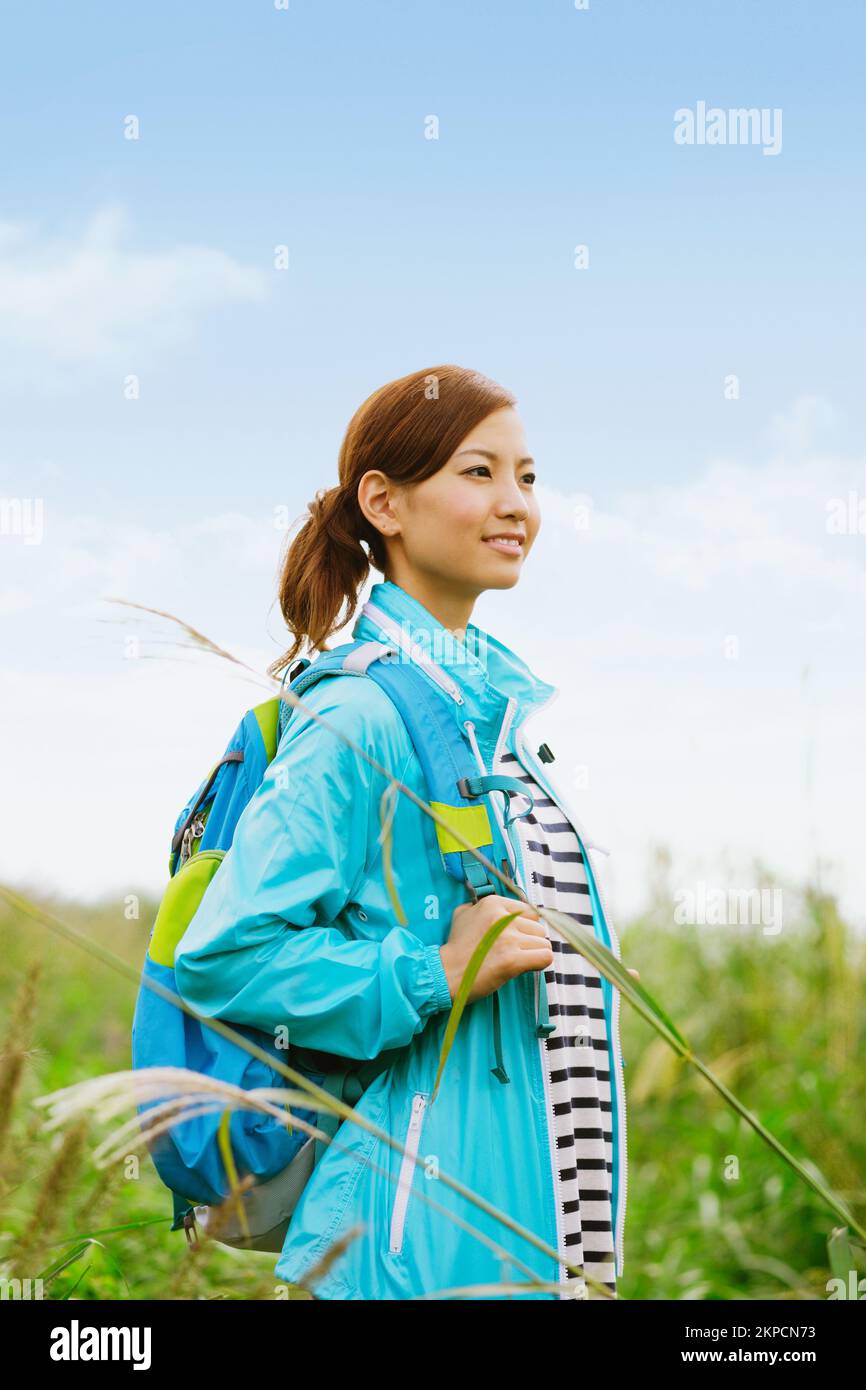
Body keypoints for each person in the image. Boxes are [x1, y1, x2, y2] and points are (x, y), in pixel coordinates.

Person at [174, 363, 632, 1300]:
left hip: (517, 1211)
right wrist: (435, 973)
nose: (516, 504)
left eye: (529, 477)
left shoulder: (489, 718)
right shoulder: (363, 718)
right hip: (407, 1241)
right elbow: (223, 957)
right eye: (478, 473)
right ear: (384, 502)